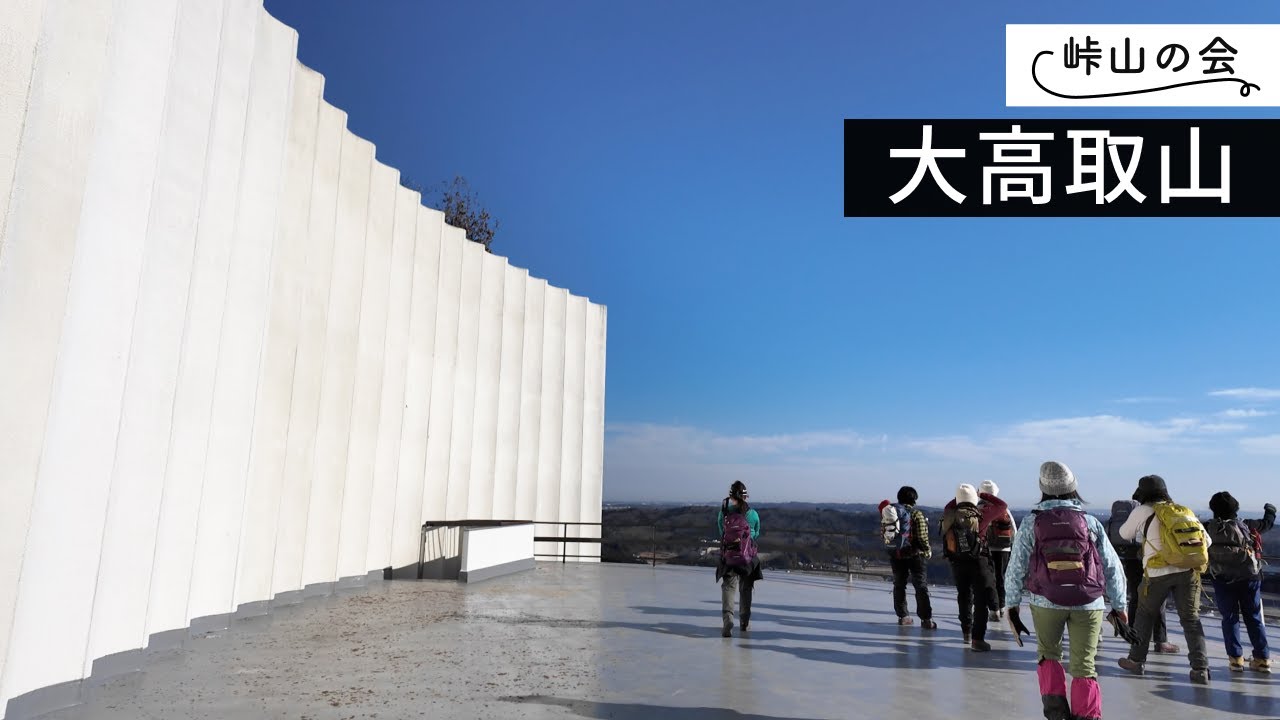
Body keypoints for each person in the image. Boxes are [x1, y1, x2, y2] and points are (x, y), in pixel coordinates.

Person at [1004, 461, 1128, 720]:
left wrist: (1012, 605)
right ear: (1074, 488)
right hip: (1089, 603)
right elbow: (1112, 566)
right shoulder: (1089, 522)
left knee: (1048, 656)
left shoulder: (1031, 523)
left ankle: (1056, 716)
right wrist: (1119, 606)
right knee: (1084, 665)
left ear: (1042, 489)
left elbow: (1015, 567)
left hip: (1045, 601)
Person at [1116, 474, 1212, 684]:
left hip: (1157, 574)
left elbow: (1124, 533)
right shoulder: (1183, 510)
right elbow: (1208, 540)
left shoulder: (1143, 511)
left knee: (1144, 614)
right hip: (1187, 573)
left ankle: (1136, 660)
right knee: (1191, 620)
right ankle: (1200, 669)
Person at [1205, 492, 1275, 673]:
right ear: (1236, 508)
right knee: (1253, 617)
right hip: (1249, 578)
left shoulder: (1207, 527)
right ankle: (1262, 659)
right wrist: (1270, 511)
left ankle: (1236, 659)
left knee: (1229, 618)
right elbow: (1266, 524)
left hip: (1222, 578)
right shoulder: (1246, 525)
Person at [941, 483, 1009, 651]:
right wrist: (983, 495)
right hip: (979, 561)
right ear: (974, 498)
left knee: (963, 596)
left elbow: (949, 504)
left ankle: (966, 632)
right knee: (981, 600)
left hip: (957, 561)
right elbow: (1002, 505)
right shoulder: (982, 515)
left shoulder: (950, 514)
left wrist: (960, 496)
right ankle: (978, 640)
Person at [1106, 498, 1178, 654]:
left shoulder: (1125, 519)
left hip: (1128, 558)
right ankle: (1161, 640)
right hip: (1146, 560)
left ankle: (1132, 632)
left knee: (1135, 596)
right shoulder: (1150, 516)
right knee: (1158, 599)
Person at [884, 485, 937, 629]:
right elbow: (922, 537)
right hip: (915, 555)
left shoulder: (892, 512)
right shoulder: (916, 514)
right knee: (920, 586)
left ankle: (903, 616)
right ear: (914, 499)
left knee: (899, 584)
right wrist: (927, 551)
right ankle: (926, 619)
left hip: (896, 554)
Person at [716, 480, 762, 637]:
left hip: (728, 557)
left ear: (731, 497)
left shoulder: (724, 512)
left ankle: (727, 620)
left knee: (728, 587)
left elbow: (721, 531)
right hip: (747, 558)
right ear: (745, 496)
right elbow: (756, 533)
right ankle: (744, 622)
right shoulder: (753, 514)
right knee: (746, 588)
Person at [979, 479, 1016, 620]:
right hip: (1004, 548)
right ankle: (1001, 606)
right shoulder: (1003, 509)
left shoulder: (979, 508)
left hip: (985, 548)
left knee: (988, 578)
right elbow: (1013, 528)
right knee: (1001, 578)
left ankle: (991, 607)